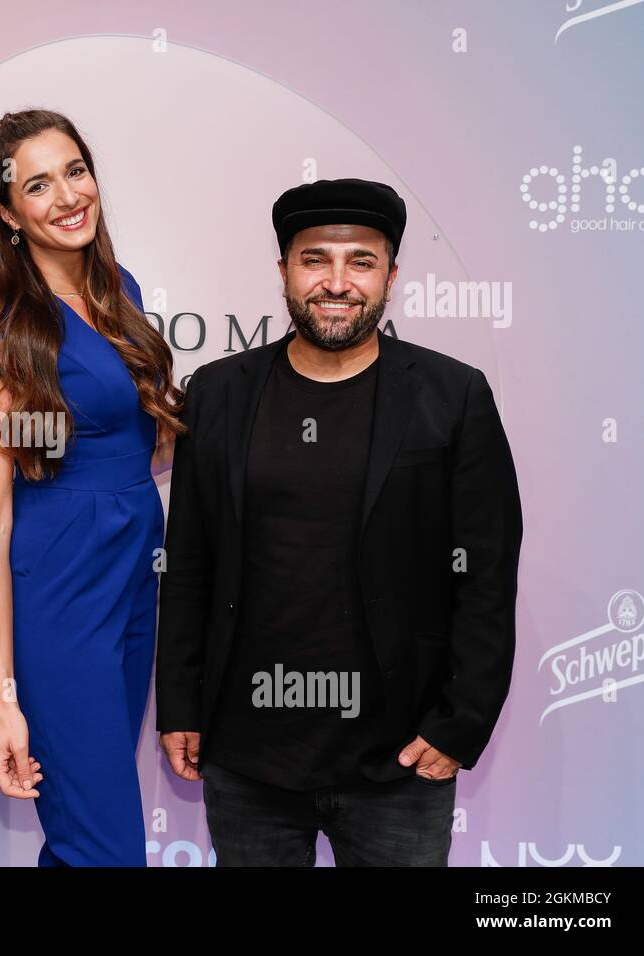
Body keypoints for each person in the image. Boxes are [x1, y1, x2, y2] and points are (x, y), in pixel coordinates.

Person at [156, 178, 523, 866]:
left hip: (400, 759)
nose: (337, 281)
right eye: (315, 259)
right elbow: (189, 565)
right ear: (284, 272)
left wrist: (460, 723)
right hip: (247, 758)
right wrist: (180, 703)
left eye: (361, 261)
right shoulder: (219, 393)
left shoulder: (453, 395)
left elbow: (487, 572)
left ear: (390, 275)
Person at [0, 109, 183, 866]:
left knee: (82, 837)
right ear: (7, 213)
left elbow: (138, 434)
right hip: (62, 595)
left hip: (133, 575)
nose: (68, 195)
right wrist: (6, 703)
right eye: (37, 185)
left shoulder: (119, 290)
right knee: (104, 847)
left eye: (75, 170)